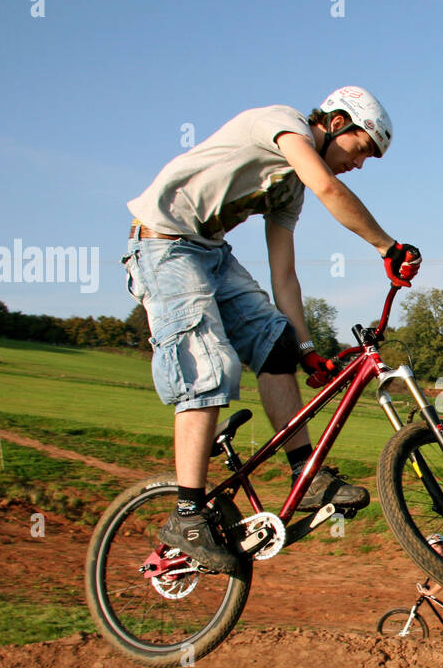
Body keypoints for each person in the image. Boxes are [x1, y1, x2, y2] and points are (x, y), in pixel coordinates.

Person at [122, 87, 422, 573]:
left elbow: (284, 274)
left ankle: (308, 475)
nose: (361, 164)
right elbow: (328, 187)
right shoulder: (284, 124)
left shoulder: (288, 188)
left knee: (275, 343)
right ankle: (186, 516)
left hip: (209, 253)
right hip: (163, 247)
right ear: (338, 122)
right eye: (363, 148)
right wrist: (387, 245)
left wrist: (305, 349)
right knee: (210, 369)